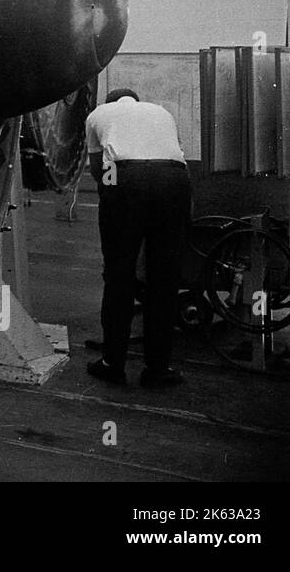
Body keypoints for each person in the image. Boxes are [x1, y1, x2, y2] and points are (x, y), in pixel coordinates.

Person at [84, 87, 191, 388]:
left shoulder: (98, 114)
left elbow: (98, 170)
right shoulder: (161, 111)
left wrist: (115, 195)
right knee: (165, 280)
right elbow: (176, 156)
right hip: (174, 179)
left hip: (123, 176)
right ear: (137, 100)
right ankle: (157, 369)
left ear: (110, 102)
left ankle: (112, 364)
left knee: (119, 275)